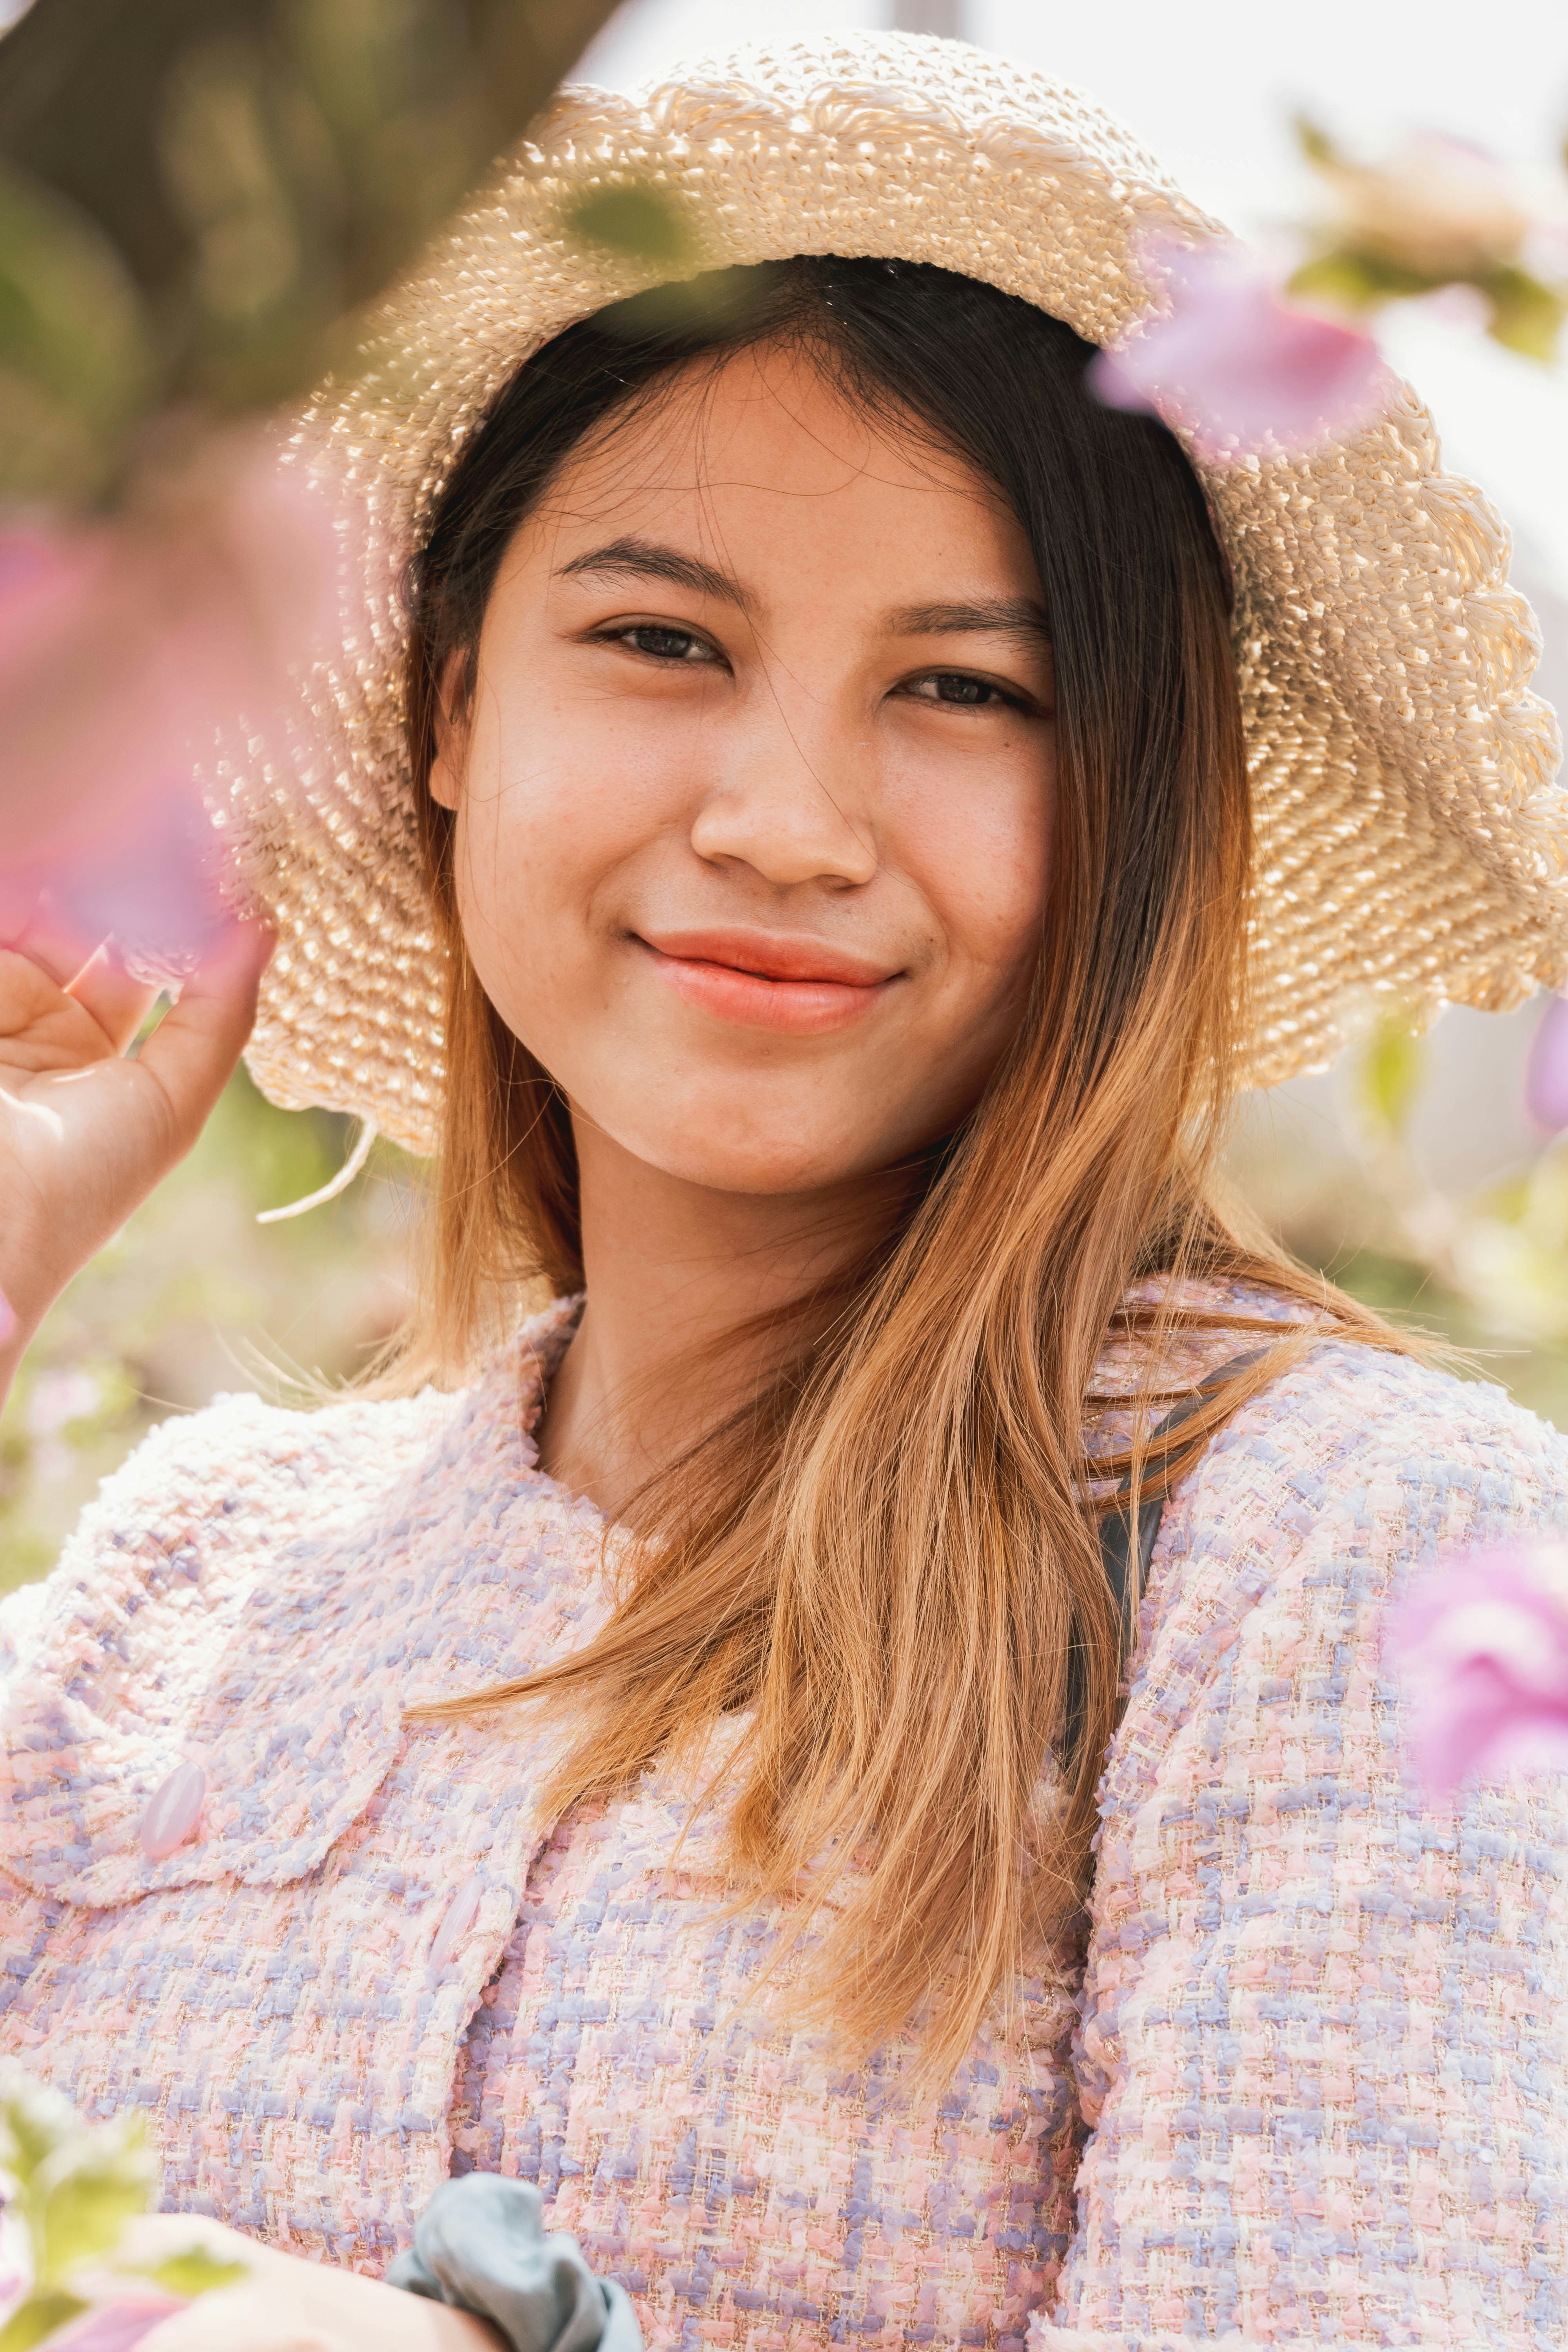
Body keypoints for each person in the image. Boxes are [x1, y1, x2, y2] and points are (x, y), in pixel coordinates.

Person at [2, 32, 1566, 2352]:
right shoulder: (183, 1581)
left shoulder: (1359, 1559)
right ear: (448, 710)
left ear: (1125, 802)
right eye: (661, 641)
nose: (787, 821)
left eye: (965, 693)